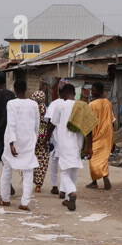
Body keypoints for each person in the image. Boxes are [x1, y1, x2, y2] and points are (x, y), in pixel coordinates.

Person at [0, 81, 41, 211]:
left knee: (7, 169)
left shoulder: (11, 103)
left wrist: (11, 142)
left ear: (15, 90)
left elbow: (11, 123)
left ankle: (5, 199)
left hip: (13, 141)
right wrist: (35, 139)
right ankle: (25, 202)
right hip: (28, 140)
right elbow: (37, 124)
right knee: (28, 170)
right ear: (26, 89)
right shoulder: (34, 104)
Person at [44, 83, 85, 211]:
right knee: (73, 170)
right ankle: (68, 199)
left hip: (64, 142)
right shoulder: (82, 106)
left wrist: (46, 138)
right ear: (74, 93)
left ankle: (72, 192)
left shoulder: (60, 105)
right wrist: (88, 147)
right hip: (78, 143)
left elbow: (52, 124)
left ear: (64, 93)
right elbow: (89, 128)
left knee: (65, 172)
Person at [86, 83, 116, 190]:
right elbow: (113, 121)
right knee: (103, 158)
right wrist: (113, 138)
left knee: (93, 158)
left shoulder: (91, 105)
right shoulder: (108, 103)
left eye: (93, 90)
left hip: (96, 135)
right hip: (107, 135)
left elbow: (89, 124)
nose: (91, 91)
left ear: (99, 91)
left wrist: (87, 145)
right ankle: (104, 176)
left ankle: (95, 181)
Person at [30, 90, 52, 192]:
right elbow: (45, 125)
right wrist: (44, 138)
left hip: (33, 136)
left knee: (30, 159)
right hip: (43, 137)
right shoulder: (46, 109)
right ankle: (38, 184)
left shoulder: (32, 108)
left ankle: (29, 180)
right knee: (42, 161)